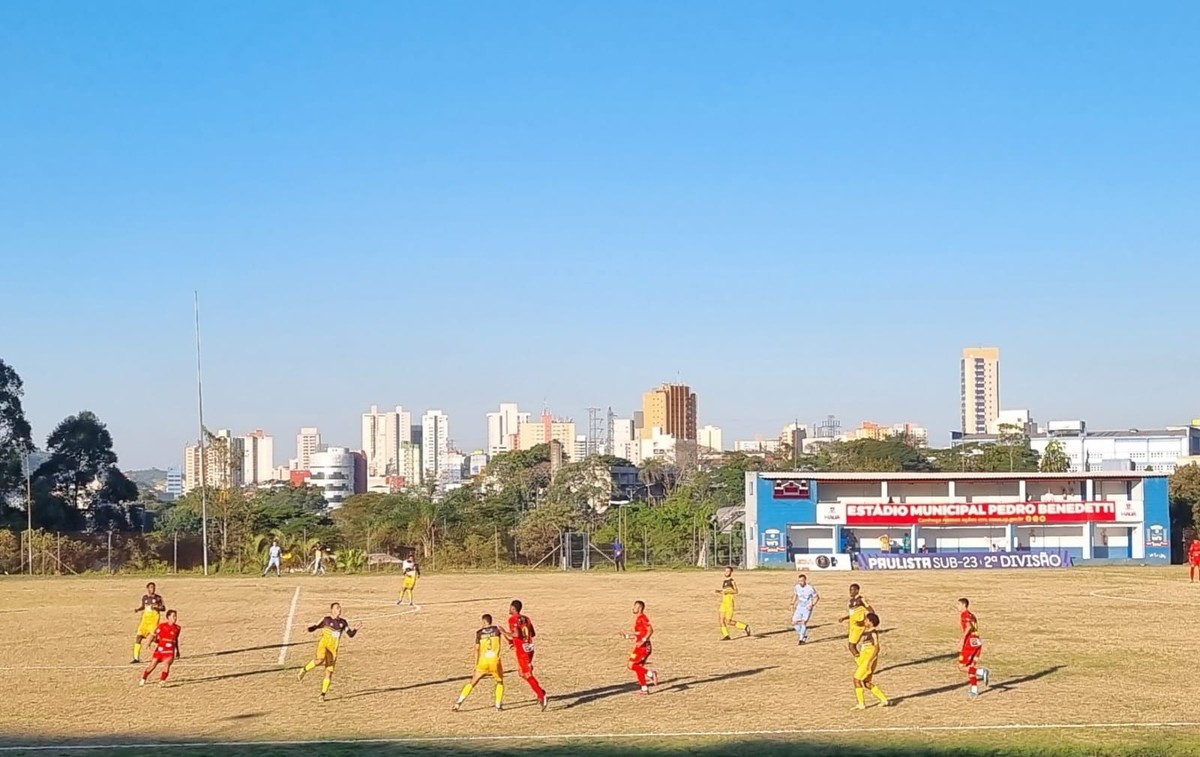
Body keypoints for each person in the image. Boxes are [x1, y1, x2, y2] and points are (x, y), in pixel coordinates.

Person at [297, 602, 358, 701]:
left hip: (333, 650)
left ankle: (322, 695)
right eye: (337, 608)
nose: (339, 610)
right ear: (332, 610)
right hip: (324, 645)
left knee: (328, 672)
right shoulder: (326, 620)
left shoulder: (343, 622)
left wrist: (356, 629)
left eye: (340, 608)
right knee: (320, 660)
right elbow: (315, 627)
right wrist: (308, 629)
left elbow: (350, 634)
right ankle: (304, 670)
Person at [453, 614, 506, 712]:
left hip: (483, 661)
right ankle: (498, 705)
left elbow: (477, 649)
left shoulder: (479, 633)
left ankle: (458, 703)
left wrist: (476, 664)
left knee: (472, 683)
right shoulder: (497, 630)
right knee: (499, 682)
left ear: (484, 621)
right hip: (494, 661)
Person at [502, 600, 548, 710]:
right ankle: (540, 691)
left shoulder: (513, 619)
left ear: (513, 608)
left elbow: (516, 634)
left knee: (527, 674)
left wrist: (504, 632)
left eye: (510, 607)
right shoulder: (526, 618)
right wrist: (514, 642)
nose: (509, 609)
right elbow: (533, 633)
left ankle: (542, 695)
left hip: (523, 651)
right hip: (529, 648)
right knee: (521, 673)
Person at [851, 612, 890, 710]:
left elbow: (877, 648)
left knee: (856, 679)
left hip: (868, 661)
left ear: (871, 622)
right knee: (867, 683)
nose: (864, 621)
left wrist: (871, 660)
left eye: (866, 620)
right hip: (864, 660)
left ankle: (861, 704)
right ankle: (884, 700)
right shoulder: (867, 633)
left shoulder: (873, 633)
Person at [622, 600, 658, 695]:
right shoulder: (638, 619)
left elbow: (650, 630)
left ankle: (650, 673)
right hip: (639, 647)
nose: (633, 608)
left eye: (635, 606)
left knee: (631, 665)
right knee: (638, 667)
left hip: (643, 647)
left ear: (640, 608)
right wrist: (627, 636)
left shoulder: (642, 618)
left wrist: (643, 640)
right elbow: (638, 634)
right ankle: (644, 689)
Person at [957, 598, 990, 698]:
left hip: (970, 643)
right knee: (970, 667)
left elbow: (968, 627)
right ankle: (974, 690)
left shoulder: (964, 614)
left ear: (964, 605)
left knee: (961, 667)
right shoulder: (972, 615)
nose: (957, 607)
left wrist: (962, 640)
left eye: (958, 604)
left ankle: (982, 672)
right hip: (977, 642)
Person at [140, 609, 181, 686]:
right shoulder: (162, 626)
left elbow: (176, 640)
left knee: (167, 665)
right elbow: (154, 635)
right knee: (151, 666)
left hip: (170, 651)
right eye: (173, 616)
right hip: (160, 650)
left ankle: (162, 681)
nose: (175, 618)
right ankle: (144, 678)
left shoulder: (178, 628)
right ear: (168, 617)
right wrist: (149, 643)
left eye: (176, 616)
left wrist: (177, 650)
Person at [131, 582, 166, 664]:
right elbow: (143, 606)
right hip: (145, 621)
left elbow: (164, 608)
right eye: (151, 587)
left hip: (153, 621)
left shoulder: (158, 598)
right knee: (138, 637)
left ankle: (165, 647)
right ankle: (136, 658)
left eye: (153, 587)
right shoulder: (145, 598)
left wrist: (158, 607)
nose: (153, 589)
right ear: (147, 589)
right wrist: (138, 609)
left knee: (154, 639)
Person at [837, 584, 873, 659]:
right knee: (851, 646)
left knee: (851, 646)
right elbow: (853, 614)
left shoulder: (861, 600)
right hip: (852, 625)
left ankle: (862, 662)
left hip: (858, 626)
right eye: (850, 590)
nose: (850, 592)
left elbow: (871, 611)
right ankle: (861, 660)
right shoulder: (851, 601)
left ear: (857, 590)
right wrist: (844, 618)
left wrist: (865, 621)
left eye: (852, 590)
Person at [716, 567, 751, 640]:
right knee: (721, 620)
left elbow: (736, 591)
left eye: (728, 571)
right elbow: (725, 591)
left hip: (729, 604)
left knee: (728, 621)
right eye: (725, 571)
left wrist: (726, 591)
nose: (726, 572)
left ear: (731, 572)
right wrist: (720, 591)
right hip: (723, 603)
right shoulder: (724, 581)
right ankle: (726, 635)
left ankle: (745, 626)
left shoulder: (732, 581)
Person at [790, 573, 820, 645]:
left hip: (807, 607)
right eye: (799, 581)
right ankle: (804, 634)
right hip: (800, 606)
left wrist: (812, 605)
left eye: (802, 581)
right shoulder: (797, 587)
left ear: (805, 580)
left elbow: (817, 597)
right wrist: (792, 603)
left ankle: (801, 640)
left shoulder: (810, 588)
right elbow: (795, 595)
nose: (800, 582)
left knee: (803, 622)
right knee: (794, 622)